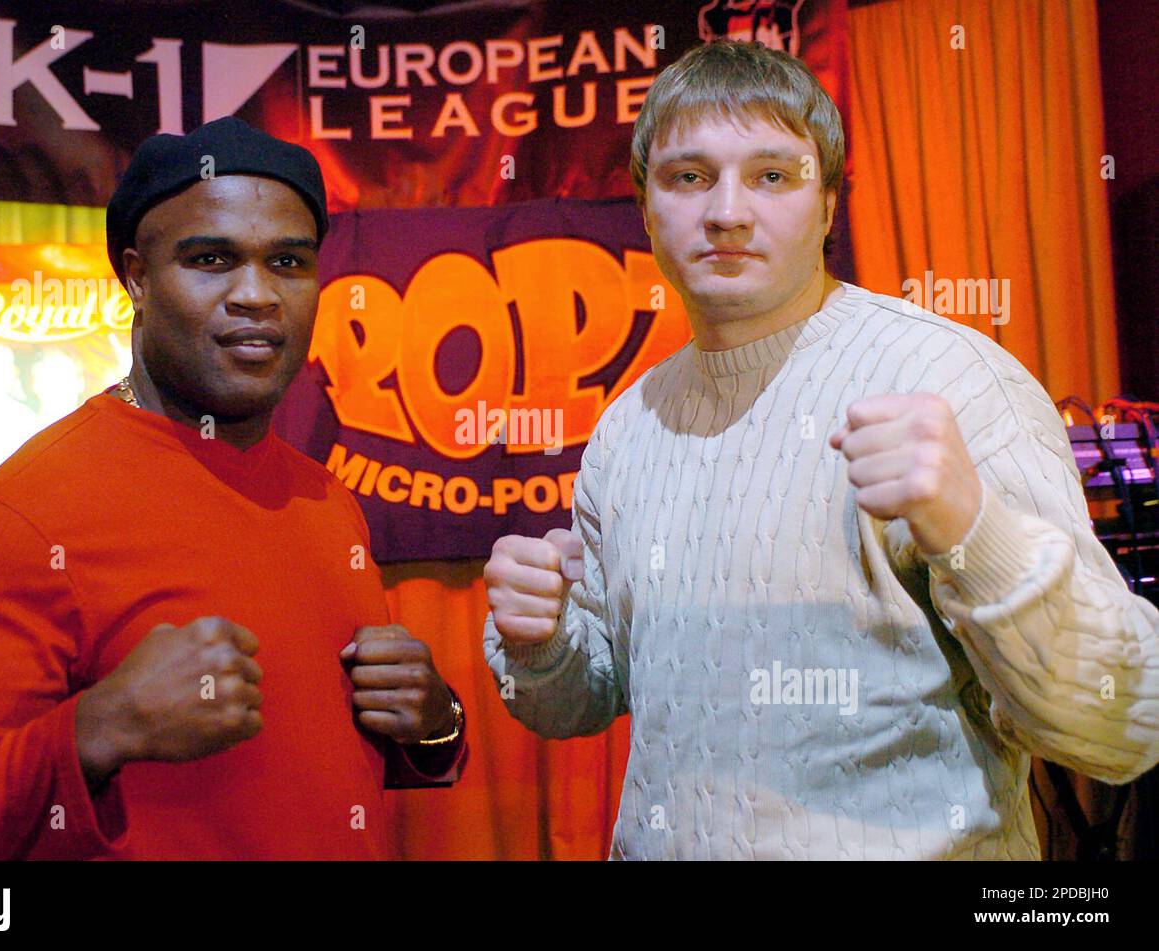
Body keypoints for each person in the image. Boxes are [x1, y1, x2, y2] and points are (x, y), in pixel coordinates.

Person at [483, 40, 1159, 860]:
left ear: (830, 202)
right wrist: (543, 640)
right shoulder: (629, 426)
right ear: (645, 202)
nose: (727, 211)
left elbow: (1125, 722)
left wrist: (975, 530)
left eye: (772, 175)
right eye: (690, 176)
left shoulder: (953, 379)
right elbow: (593, 699)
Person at [0, 116, 467, 860]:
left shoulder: (325, 498)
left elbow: (305, 777)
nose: (257, 295)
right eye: (211, 259)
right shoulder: (20, 516)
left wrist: (434, 725)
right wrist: (95, 729)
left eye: (287, 262)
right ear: (136, 278)